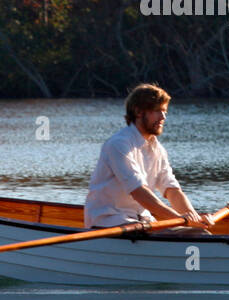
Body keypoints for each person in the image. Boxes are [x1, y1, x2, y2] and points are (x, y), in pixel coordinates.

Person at [84, 83, 214, 231]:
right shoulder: (118, 144)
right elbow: (139, 192)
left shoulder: (157, 148)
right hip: (109, 222)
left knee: (199, 232)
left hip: (142, 221)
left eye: (164, 111)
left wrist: (193, 216)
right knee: (194, 235)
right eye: (157, 111)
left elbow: (172, 190)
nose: (163, 117)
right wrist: (180, 220)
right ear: (139, 112)